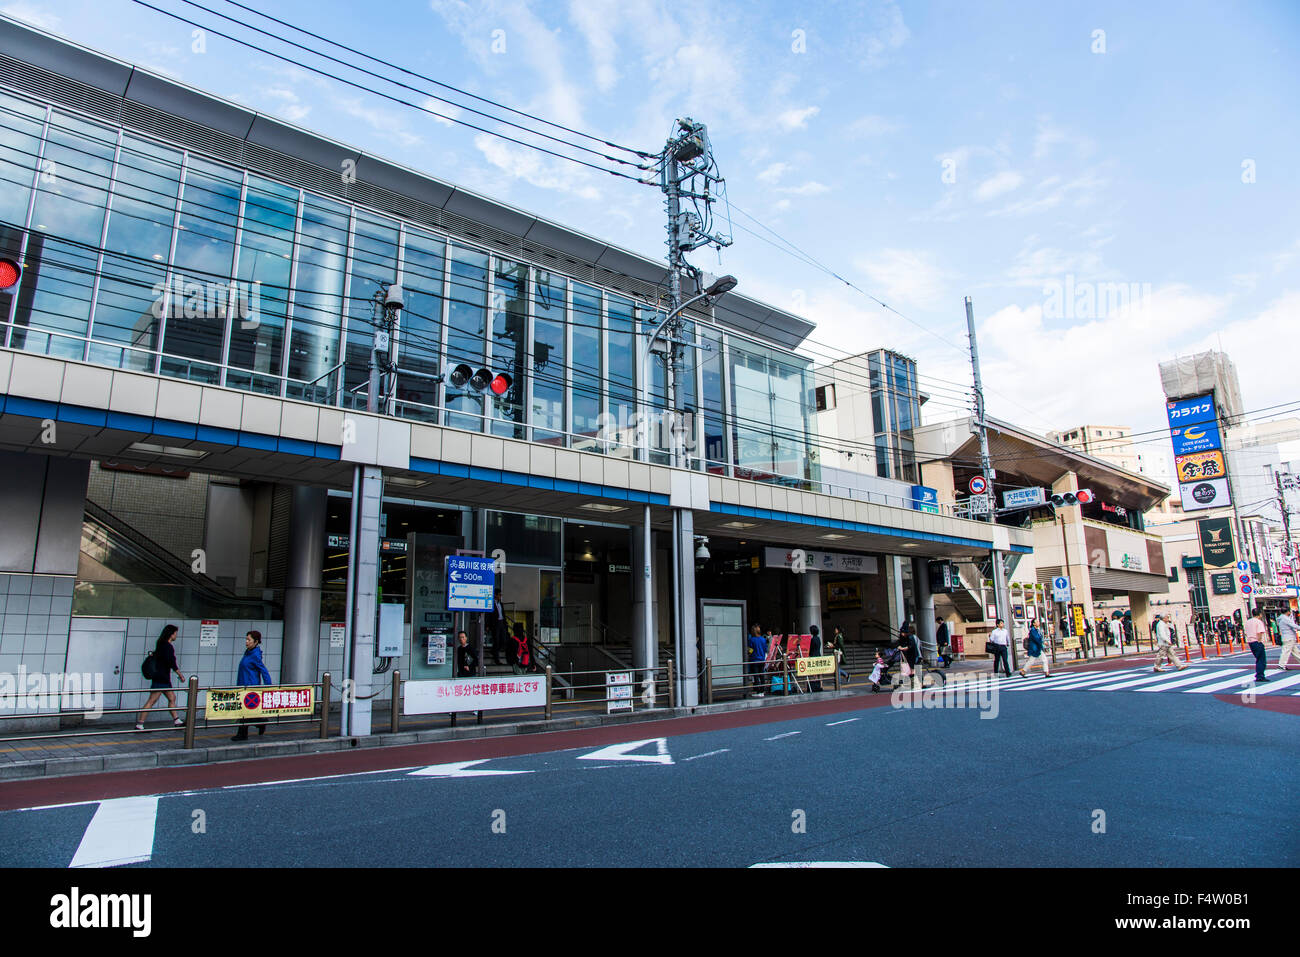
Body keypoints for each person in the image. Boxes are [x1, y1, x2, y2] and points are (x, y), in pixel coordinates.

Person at [136, 624, 185, 730]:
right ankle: (139, 724)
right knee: (152, 700)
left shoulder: (160, 644)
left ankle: (177, 720)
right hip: (162, 678)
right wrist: (180, 675)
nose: (176, 635)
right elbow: (172, 663)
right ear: (171, 634)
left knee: (172, 698)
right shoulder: (168, 647)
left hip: (161, 677)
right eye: (175, 633)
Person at [231, 630, 273, 741]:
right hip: (243, 685)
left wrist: (268, 686)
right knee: (246, 712)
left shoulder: (255, 655)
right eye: (246, 639)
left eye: (249, 640)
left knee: (245, 712)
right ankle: (260, 722)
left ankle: (244, 733)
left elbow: (264, 671)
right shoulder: (248, 652)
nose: (246, 642)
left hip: (250, 687)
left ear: (256, 642)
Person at [1244, 608, 1270, 682]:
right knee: (1261, 660)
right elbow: (1259, 632)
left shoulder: (1248, 622)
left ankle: (1259, 675)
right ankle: (1260, 675)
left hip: (1250, 642)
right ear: (1259, 614)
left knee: (1258, 659)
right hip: (1256, 641)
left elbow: (1245, 632)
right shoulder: (1258, 622)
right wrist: (1259, 641)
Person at [746, 623, 767, 697]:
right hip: (762, 659)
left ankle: (758, 691)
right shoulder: (763, 640)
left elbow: (750, 650)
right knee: (762, 675)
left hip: (754, 660)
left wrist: (748, 653)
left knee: (756, 676)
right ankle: (762, 691)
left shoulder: (752, 640)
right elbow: (765, 649)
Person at [898, 622, 921, 689]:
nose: (901, 634)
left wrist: (902, 648)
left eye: (902, 632)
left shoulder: (911, 637)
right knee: (911, 671)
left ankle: (916, 685)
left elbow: (910, 647)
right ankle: (914, 685)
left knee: (912, 670)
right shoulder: (907, 637)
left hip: (913, 656)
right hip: (910, 656)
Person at [487, 589, 507, 665]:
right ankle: (496, 658)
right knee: (496, 640)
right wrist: (488, 625)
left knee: (504, 640)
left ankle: (494, 651)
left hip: (501, 622)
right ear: (495, 595)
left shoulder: (500, 604)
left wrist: (505, 623)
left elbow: (503, 613)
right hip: (495, 623)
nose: (500, 596)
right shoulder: (491, 603)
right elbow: (488, 615)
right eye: (499, 595)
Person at [808, 625, 824, 692]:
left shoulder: (812, 639)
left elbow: (811, 649)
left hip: (813, 656)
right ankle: (821, 685)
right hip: (818, 655)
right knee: (819, 672)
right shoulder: (818, 638)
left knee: (814, 672)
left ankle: (815, 686)